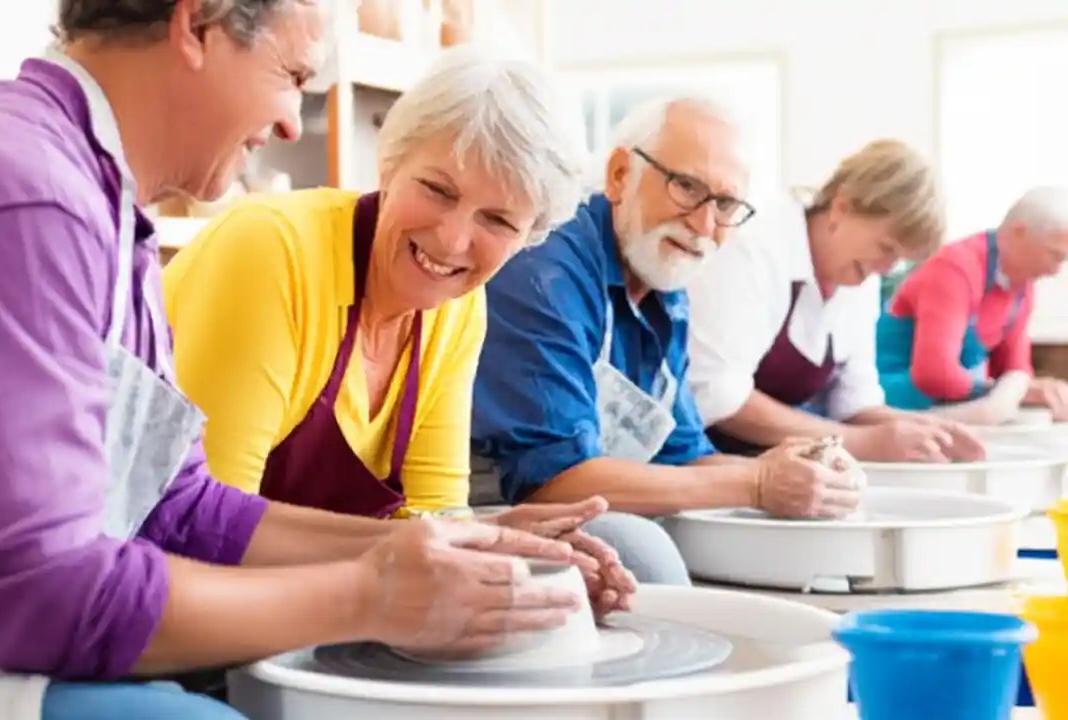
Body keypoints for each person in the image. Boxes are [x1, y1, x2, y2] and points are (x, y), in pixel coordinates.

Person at [0, 3, 632, 719]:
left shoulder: (100, 204)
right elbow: (41, 596)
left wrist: (447, 541)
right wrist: (373, 593)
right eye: (292, 77)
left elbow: (179, 509)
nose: (288, 125)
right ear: (197, 22)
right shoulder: (12, 189)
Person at [162, 45, 586, 520]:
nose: (452, 239)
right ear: (389, 165)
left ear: (529, 238)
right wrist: (411, 554)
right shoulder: (270, 251)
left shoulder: (459, 309)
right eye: (437, 190)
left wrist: (498, 548)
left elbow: (435, 514)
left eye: (498, 220)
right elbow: (203, 525)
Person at [469, 96, 863, 586]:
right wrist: (755, 481)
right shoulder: (545, 269)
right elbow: (552, 481)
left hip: (577, 493)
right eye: (686, 187)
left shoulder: (662, 283)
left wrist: (796, 469)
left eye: (725, 205)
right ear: (618, 175)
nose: (703, 225)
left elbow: (683, 454)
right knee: (644, 553)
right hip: (489, 510)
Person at [685, 139, 985, 463]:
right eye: (886, 248)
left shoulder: (859, 277)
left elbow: (854, 401)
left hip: (771, 467)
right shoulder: (754, 243)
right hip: (698, 462)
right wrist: (860, 442)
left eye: (900, 260)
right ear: (842, 208)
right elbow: (716, 395)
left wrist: (925, 431)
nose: (886, 270)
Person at [877, 186, 1068, 424]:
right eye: (1055, 255)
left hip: (949, 408)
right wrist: (1009, 391)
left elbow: (1015, 370)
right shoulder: (955, 268)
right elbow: (934, 375)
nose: (1055, 270)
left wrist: (1033, 389)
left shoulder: (1021, 288)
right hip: (890, 405)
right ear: (1019, 232)